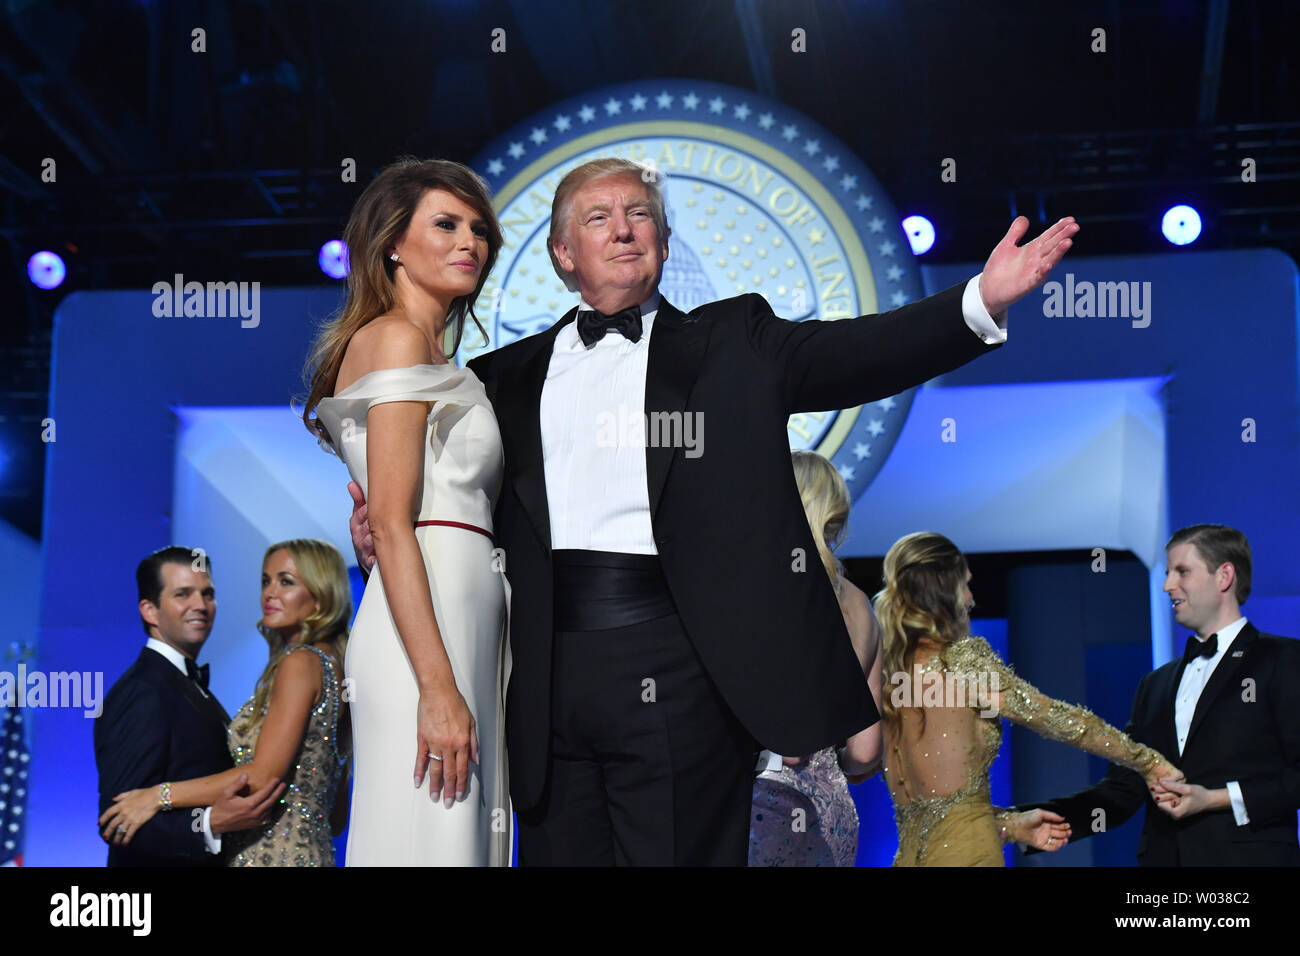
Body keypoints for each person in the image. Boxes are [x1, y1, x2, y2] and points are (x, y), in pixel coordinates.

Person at [352, 157, 1080, 865]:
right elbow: (417, 466)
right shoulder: (498, 379)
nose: (625, 230)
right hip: (540, 672)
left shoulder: (736, 344)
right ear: (561, 253)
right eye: (599, 217)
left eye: (641, 215)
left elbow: (861, 350)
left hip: (680, 666)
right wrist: (375, 519)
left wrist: (980, 299)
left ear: (665, 245)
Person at [306, 157, 511, 866]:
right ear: (391, 242)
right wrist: (437, 686)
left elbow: (383, 516)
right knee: (435, 837)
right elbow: (392, 523)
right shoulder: (394, 337)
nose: (471, 243)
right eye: (447, 225)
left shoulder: (441, 358)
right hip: (427, 640)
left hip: (463, 617)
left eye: (479, 229)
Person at [874, 531, 1181, 866]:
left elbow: (939, 813)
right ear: (945, 591)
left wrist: (1012, 825)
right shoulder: (963, 662)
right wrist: (1146, 762)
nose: (972, 598)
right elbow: (1057, 720)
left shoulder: (887, 680)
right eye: (965, 584)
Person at [1019, 524, 1300, 866]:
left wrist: (1215, 799)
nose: (1168, 586)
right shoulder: (1155, 685)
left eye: (1182, 571)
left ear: (1224, 576)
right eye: (1168, 573)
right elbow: (1123, 790)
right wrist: (1030, 821)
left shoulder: (1283, 660)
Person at [99, 540, 351, 866]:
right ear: (149, 610)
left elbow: (260, 777)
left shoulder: (300, 664)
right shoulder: (140, 691)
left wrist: (159, 795)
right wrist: (208, 823)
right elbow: (118, 817)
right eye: (182, 594)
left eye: (207, 594)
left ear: (320, 596)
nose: (269, 593)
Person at [748, 450, 882, 866]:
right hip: (834, 814)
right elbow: (865, 751)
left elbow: (787, 747)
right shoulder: (861, 606)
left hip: (765, 805)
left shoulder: (761, 592)